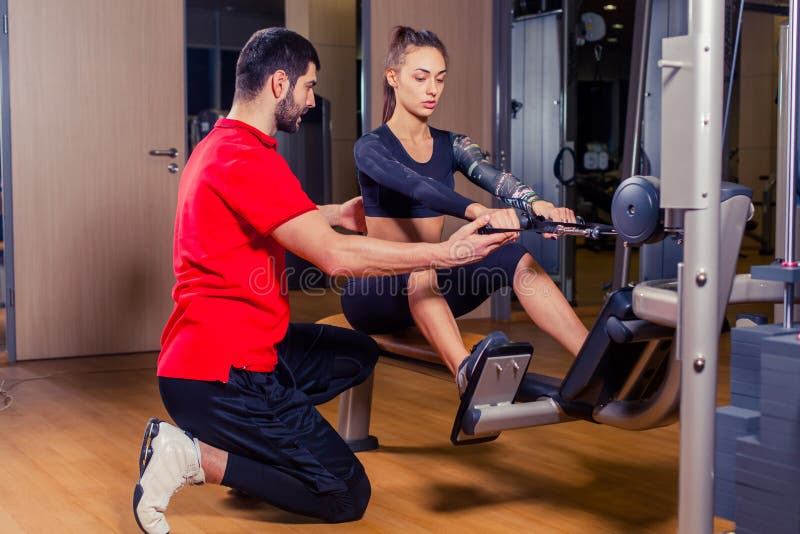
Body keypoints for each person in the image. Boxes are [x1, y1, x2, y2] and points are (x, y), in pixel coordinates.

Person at [133, 27, 515, 534]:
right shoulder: (248, 157)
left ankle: (257, 450)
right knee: (344, 492)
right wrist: (446, 252)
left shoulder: (222, 146)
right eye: (308, 87)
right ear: (278, 84)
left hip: (213, 353)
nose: (312, 101)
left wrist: (334, 212)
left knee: (355, 353)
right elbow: (335, 259)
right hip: (223, 375)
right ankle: (193, 456)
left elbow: (263, 213)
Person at [341, 26, 590, 396]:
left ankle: (596, 363)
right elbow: (417, 186)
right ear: (393, 78)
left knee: (513, 256)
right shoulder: (371, 147)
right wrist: (479, 212)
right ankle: (468, 378)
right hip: (372, 293)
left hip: (427, 283)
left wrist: (538, 205)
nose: (432, 89)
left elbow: (495, 178)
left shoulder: (453, 144)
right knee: (422, 269)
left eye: (439, 79)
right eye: (421, 77)